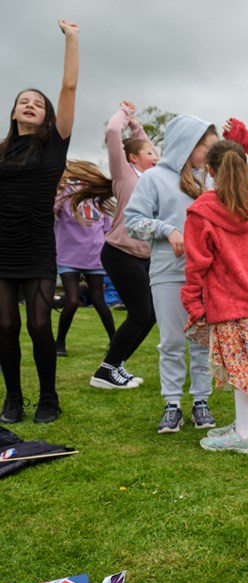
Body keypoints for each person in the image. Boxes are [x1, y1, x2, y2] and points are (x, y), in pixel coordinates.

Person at [181, 119, 248, 454]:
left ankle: (243, 437)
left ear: (210, 171)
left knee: (243, 370)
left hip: (230, 305)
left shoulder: (202, 211)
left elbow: (197, 265)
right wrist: (243, 136)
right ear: (243, 164)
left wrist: (194, 305)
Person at [0, 20, 79, 424]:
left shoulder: (54, 147)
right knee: (5, 325)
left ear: (47, 116)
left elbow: (68, 89)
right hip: (2, 248)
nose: (30, 104)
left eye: (38, 103)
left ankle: (48, 398)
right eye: (23, 101)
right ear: (13, 111)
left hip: (36, 247)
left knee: (37, 323)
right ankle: (12, 398)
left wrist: (71, 39)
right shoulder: (0, 152)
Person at [126, 115, 219, 433]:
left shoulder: (208, 182)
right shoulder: (153, 179)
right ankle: (172, 405)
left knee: (202, 341)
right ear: (187, 144)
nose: (210, 152)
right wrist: (167, 230)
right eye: (206, 146)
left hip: (205, 274)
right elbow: (132, 222)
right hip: (168, 272)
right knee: (171, 341)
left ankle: (201, 401)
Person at [89, 101, 158, 389]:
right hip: (120, 253)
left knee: (151, 314)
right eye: (150, 152)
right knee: (140, 312)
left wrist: (138, 128)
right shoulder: (124, 174)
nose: (156, 155)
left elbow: (146, 146)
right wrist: (125, 115)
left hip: (144, 257)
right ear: (132, 157)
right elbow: (111, 132)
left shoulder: (154, 179)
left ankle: (116, 365)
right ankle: (106, 370)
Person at [53, 161, 116, 356]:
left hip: (94, 257)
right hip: (68, 257)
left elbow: (106, 230)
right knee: (71, 301)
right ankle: (60, 344)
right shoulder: (62, 196)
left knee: (99, 300)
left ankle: (115, 342)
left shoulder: (97, 200)